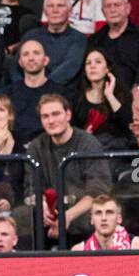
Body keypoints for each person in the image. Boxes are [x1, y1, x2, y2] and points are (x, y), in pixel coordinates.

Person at [17, 95, 113, 245]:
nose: (51, 121)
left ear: (68, 115)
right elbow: (31, 189)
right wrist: (43, 207)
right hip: (49, 217)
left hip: (80, 215)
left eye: (56, 114)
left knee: (92, 213)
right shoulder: (36, 146)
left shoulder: (88, 144)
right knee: (23, 215)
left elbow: (97, 192)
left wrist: (67, 216)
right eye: (45, 116)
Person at [90, 0, 139, 89]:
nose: (112, 10)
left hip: (135, 96)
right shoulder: (94, 40)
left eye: (117, 5)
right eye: (108, 6)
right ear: (103, 12)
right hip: (101, 96)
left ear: (128, 8)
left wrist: (137, 92)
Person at [27, 0, 88, 87]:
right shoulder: (31, 37)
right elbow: (18, 65)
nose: (55, 10)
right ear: (45, 11)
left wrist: (42, 87)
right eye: (50, 6)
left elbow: (69, 69)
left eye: (60, 6)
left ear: (70, 11)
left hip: (63, 94)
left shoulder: (79, 39)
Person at [71, 48, 133, 149]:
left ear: (107, 68)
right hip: (87, 152)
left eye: (98, 62)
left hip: (117, 152)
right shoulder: (76, 97)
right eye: (88, 63)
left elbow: (128, 124)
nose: (92, 66)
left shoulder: (122, 94)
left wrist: (110, 96)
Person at [71, 195, 139, 252]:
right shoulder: (79, 251)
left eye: (109, 213)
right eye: (98, 213)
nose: (104, 218)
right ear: (92, 219)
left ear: (119, 218)